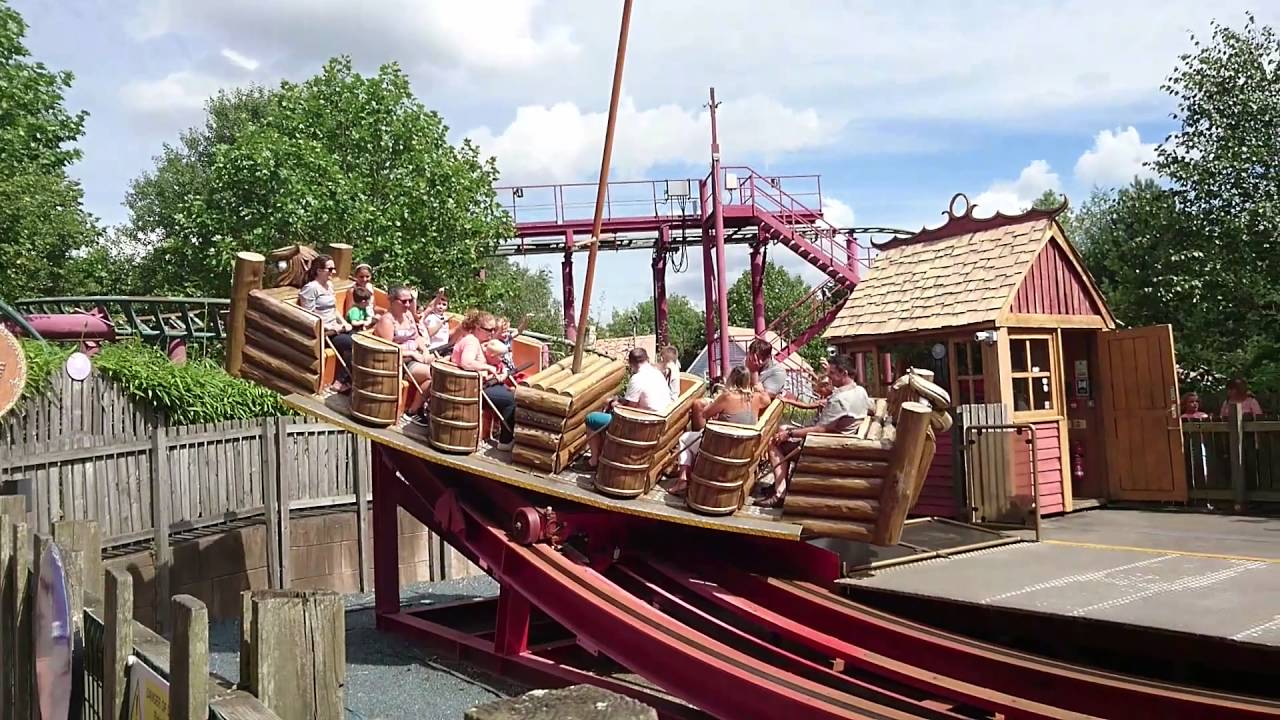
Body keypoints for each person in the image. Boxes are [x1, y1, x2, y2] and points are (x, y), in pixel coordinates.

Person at [757, 354, 872, 508]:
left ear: (844, 373)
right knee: (783, 428)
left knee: (775, 442)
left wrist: (790, 434)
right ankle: (781, 480)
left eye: (832, 373)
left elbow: (820, 429)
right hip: (841, 440)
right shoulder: (860, 391)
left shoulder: (839, 399)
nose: (829, 377)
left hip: (824, 446)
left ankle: (780, 493)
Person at [670, 366, 771, 495]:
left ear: (732, 379)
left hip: (720, 451)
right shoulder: (756, 398)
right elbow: (767, 399)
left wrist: (716, 405)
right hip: (742, 452)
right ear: (747, 381)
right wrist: (760, 389)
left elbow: (705, 414)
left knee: (684, 439)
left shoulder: (727, 397)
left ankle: (682, 480)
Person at [581, 348, 673, 470]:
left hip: (641, 426)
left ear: (631, 363)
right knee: (609, 408)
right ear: (647, 359)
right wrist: (619, 400)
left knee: (591, 419)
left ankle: (594, 461)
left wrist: (614, 404)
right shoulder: (657, 373)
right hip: (656, 420)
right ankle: (602, 452)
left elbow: (629, 411)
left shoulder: (637, 379)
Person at [451, 310, 516, 450]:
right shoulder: (471, 342)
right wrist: (488, 368)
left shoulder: (476, 341)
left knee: (512, 393)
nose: (492, 333)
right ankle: (505, 442)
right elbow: (466, 363)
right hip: (469, 388)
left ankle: (506, 436)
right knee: (510, 400)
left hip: (478, 385)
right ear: (478, 328)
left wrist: (500, 370)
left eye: (494, 330)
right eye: (489, 330)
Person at [376, 286, 433, 426]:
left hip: (416, 357)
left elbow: (417, 338)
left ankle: (424, 408)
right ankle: (413, 412)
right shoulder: (387, 321)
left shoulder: (408, 316)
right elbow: (390, 349)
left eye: (410, 301)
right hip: (401, 363)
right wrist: (412, 354)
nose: (408, 305)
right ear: (393, 301)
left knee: (441, 369)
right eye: (404, 301)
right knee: (434, 374)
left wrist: (425, 350)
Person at [297, 254, 353, 393]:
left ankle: (347, 380)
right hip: (324, 333)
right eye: (330, 269)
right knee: (353, 344)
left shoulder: (329, 286)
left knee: (359, 341)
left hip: (336, 329)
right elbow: (309, 315)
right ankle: (341, 381)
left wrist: (343, 322)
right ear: (319, 270)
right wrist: (330, 327)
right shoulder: (311, 288)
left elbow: (333, 310)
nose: (333, 272)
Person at [419, 288, 451, 353]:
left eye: (444, 304)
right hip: (433, 348)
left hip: (444, 346)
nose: (441, 307)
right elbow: (430, 333)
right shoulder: (431, 317)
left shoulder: (444, 316)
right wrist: (441, 323)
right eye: (439, 304)